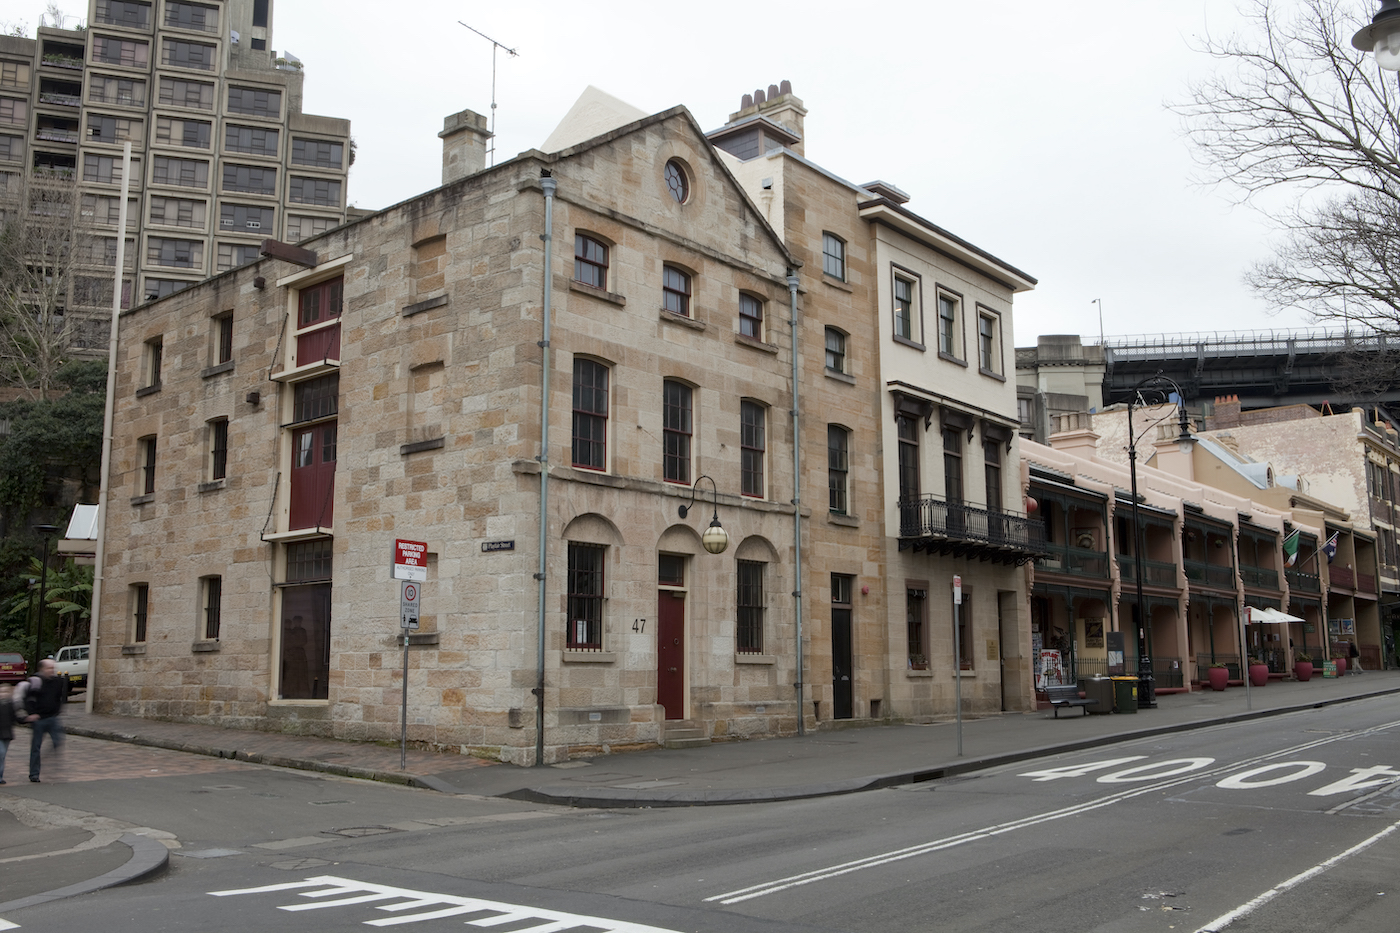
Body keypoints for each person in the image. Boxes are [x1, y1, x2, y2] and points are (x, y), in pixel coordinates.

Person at [23, 658, 67, 782]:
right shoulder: (35, 682)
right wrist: (31, 713)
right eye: (49, 668)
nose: (51, 670)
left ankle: (48, 760)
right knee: (36, 747)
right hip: (39, 719)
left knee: (58, 740)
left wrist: (58, 710)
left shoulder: (57, 682)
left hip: (53, 717)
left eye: (53, 668)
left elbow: (59, 697)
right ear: (42, 669)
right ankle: (34, 774)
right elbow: (28, 699)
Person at [0, 682, 15, 785]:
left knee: (3, 755)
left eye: (5, 692)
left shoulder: (10, 705)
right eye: (1, 692)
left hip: (7, 734)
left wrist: (26, 719)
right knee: (1, 753)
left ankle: (1, 776)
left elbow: (14, 718)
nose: (3, 694)